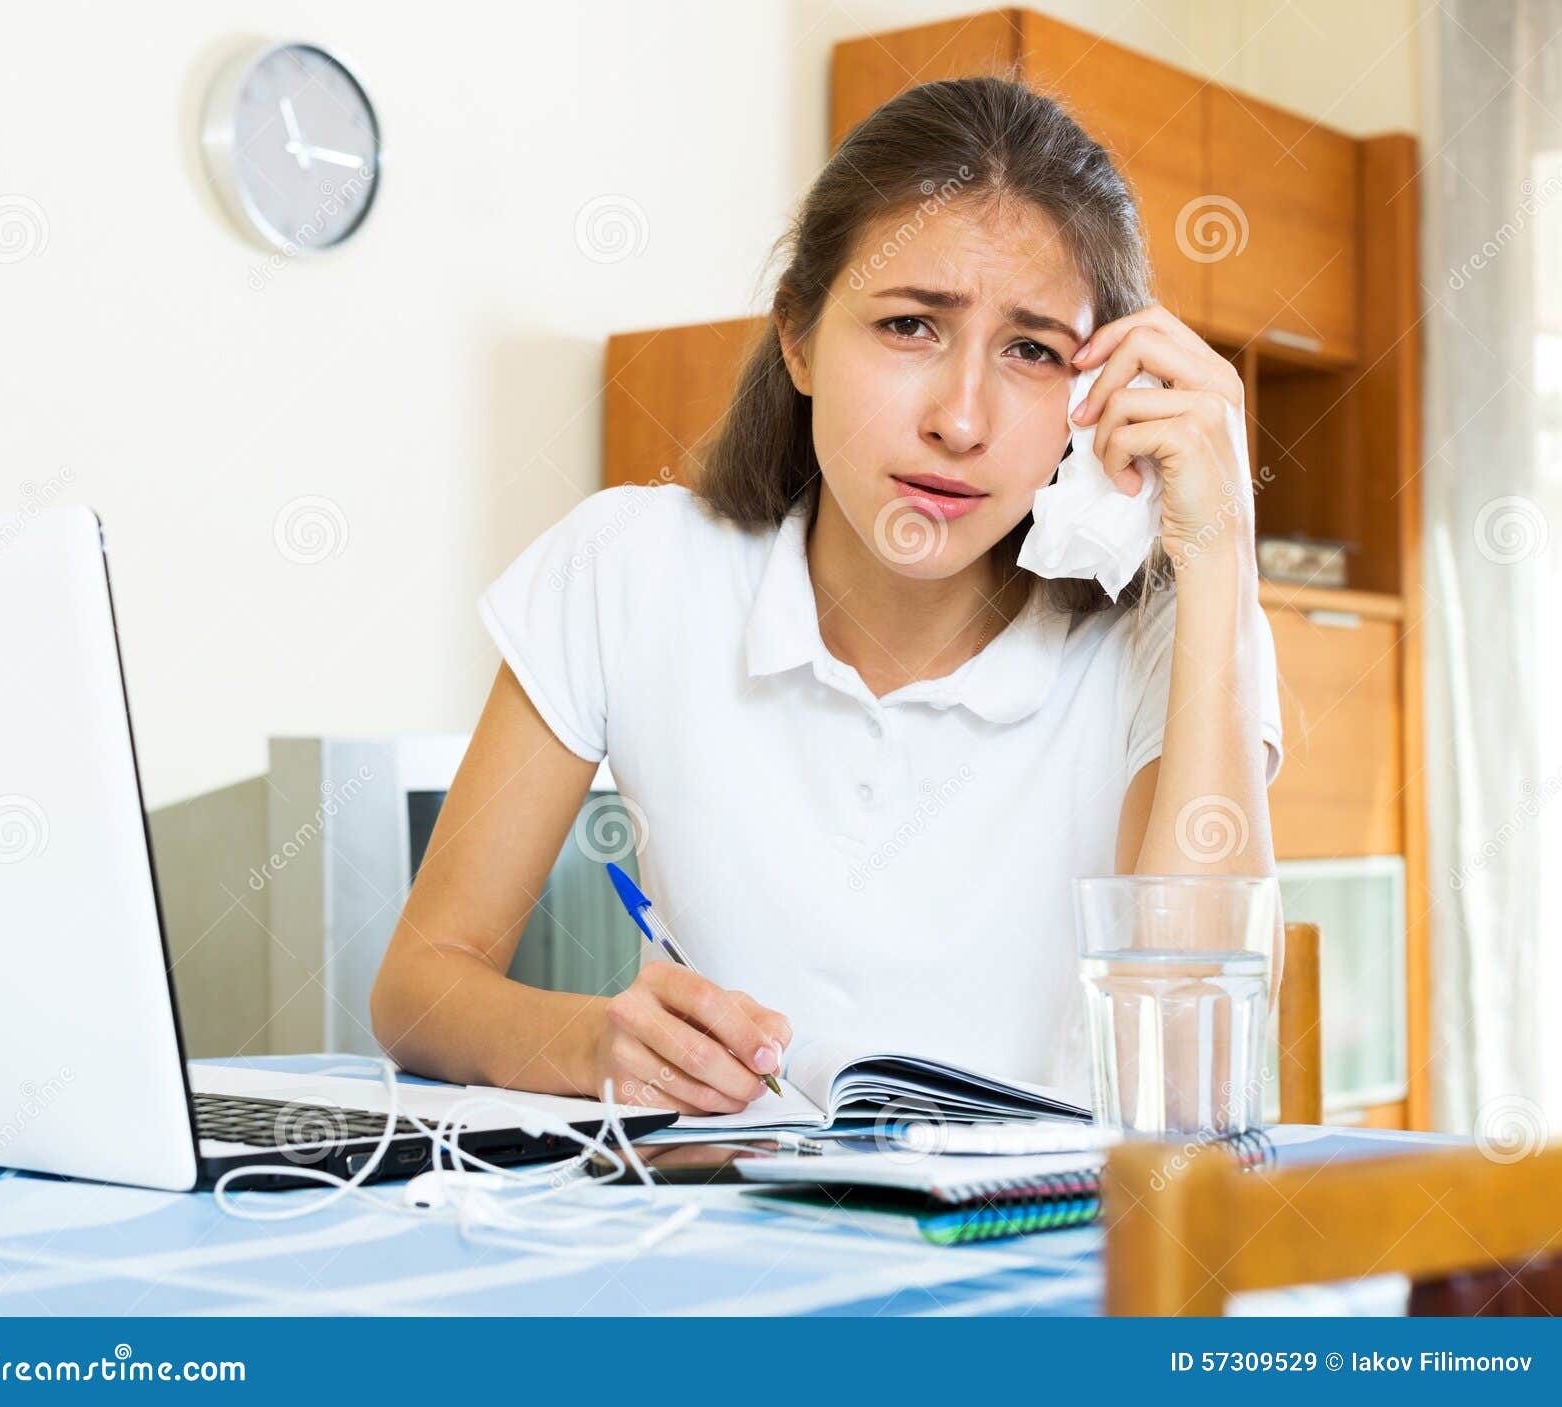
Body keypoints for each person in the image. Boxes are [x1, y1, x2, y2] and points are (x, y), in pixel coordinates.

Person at [371, 74, 1283, 1116]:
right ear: (798, 336)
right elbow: (418, 987)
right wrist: (590, 1042)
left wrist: (1215, 557)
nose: (960, 419)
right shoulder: (625, 566)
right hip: (734, 1242)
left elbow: (1199, 1082)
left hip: (1042, 1253)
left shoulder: (1166, 637)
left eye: (1031, 350)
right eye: (908, 327)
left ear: (1093, 393)